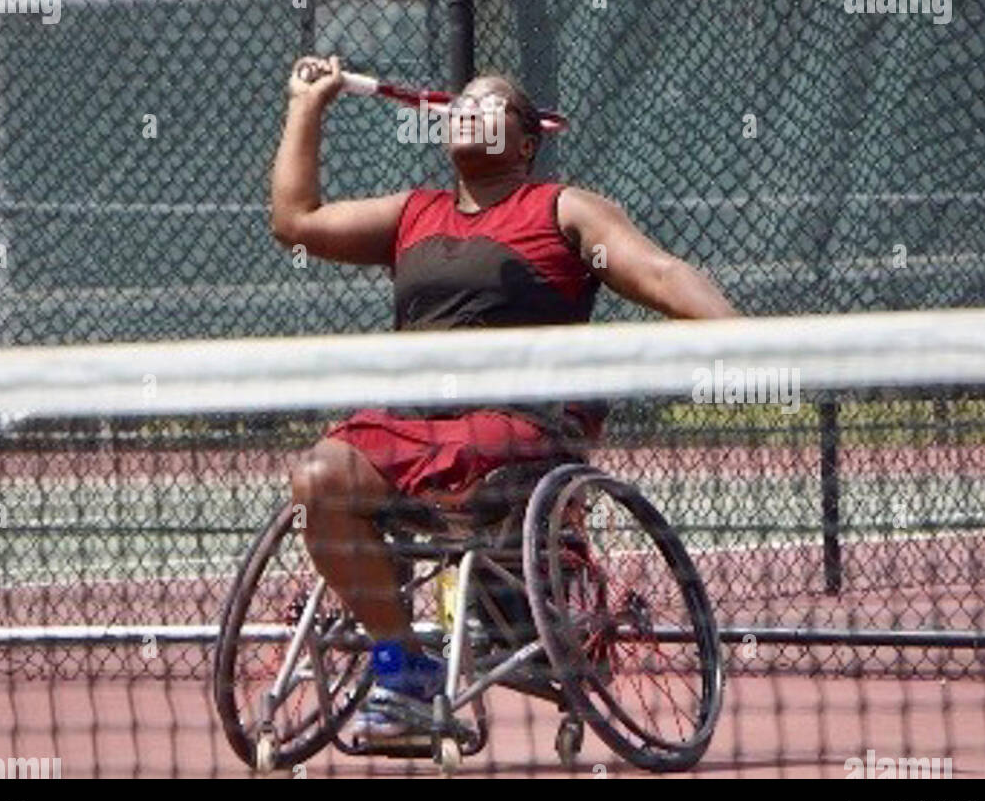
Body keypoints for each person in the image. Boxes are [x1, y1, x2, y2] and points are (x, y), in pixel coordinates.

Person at [271, 55, 738, 743]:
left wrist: (750, 341)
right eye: (462, 102)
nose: (469, 109)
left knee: (465, 469)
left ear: (526, 142)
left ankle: (494, 612)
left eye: (489, 104)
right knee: (318, 477)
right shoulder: (410, 215)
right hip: (412, 423)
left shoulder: (562, 209)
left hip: (522, 425)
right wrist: (307, 104)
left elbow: (660, 272)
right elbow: (295, 220)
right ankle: (404, 667)